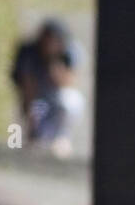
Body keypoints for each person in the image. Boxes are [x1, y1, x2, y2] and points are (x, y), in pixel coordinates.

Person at [10, 19, 85, 155]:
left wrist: (53, 60)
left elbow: (68, 81)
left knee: (72, 101)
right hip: (38, 97)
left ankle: (62, 139)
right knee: (37, 131)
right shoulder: (29, 52)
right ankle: (36, 141)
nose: (48, 44)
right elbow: (28, 87)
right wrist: (30, 117)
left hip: (58, 96)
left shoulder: (69, 50)